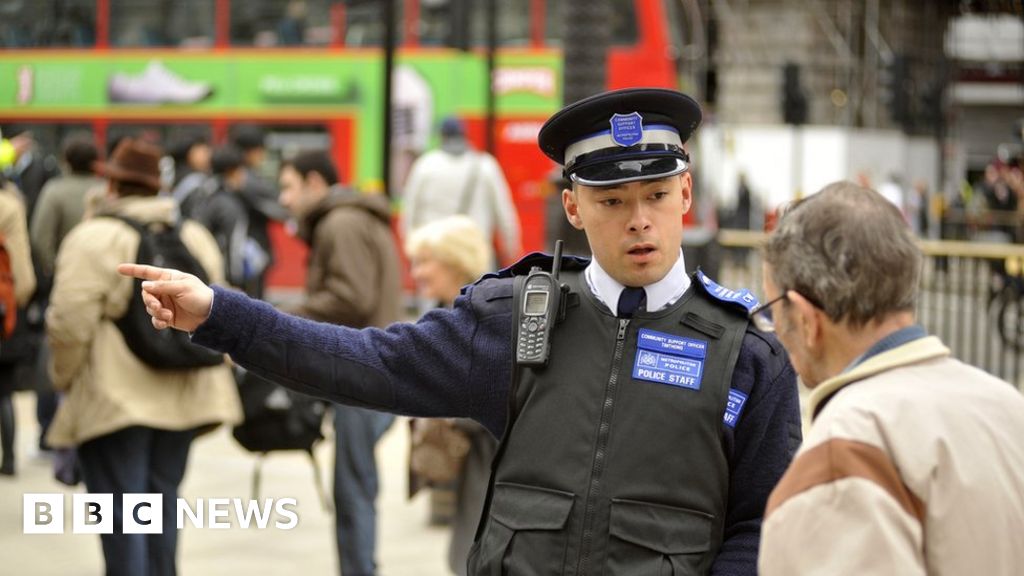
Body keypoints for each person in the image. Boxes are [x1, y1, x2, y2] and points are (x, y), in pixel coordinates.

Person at [121, 88, 802, 574]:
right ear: (573, 206)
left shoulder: (747, 357)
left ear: (686, 195)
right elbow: (367, 363)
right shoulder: (514, 319)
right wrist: (222, 315)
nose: (639, 220)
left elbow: (763, 528)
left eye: (656, 196)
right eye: (612, 200)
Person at [754, 181, 1024, 575]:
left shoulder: (840, 459)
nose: (774, 328)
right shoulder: (1007, 406)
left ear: (806, 319)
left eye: (772, 310)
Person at [45, 138, 241, 576]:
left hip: (115, 399)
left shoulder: (94, 237)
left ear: (111, 183)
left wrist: (64, 379)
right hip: (183, 400)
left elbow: (68, 324)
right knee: (163, 503)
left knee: (121, 516)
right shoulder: (192, 235)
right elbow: (220, 306)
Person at [277, 151, 402, 576]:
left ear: (314, 182)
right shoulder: (351, 217)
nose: (284, 198)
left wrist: (286, 314)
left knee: (353, 488)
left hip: (362, 372)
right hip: (372, 367)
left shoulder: (340, 222)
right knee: (356, 483)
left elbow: (352, 297)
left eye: (289, 186)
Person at [404, 215, 496, 575]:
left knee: (471, 554)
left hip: (488, 459)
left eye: (425, 262)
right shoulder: (451, 311)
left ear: (455, 262)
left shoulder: (480, 315)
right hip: (472, 459)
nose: (416, 272)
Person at [401, 116, 521, 268]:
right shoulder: (486, 165)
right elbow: (504, 212)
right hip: (475, 254)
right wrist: (511, 248)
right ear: (464, 135)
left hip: (436, 253)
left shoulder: (425, 165)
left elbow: (410, 211)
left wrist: (411, 248)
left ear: (441, 136)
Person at [0, 169, 37, 476]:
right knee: (4, 391)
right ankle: (9, 458)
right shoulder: (10, 206)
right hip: (3, 310)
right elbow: (22, 273)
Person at [229, 124, 289, 299]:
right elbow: (277, 204)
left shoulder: (236, 176)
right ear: (249, 151)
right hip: (250, 253)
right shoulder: (246, 179)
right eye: (260, 150)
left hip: (244, 252)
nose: (263, 155)